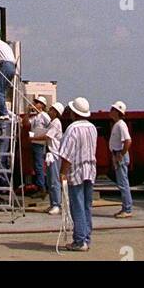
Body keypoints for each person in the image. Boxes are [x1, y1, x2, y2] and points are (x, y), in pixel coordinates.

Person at [59, 97, 97, 252]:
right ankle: (86, 238)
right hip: (90, 171)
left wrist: (62, 172)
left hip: (77, 172)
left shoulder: (73, 129)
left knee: (77, 207)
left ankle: (80, 241)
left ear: (74, 113)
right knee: (87, 206)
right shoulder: (92, 127)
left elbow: (67, 154)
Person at [109, 100, 133, 217]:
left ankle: (127, 209)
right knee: (122, 182)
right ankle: (125, 207)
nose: (110, 111)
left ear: (118, 112)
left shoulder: (121, 125)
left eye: (113, 109)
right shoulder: (117, 124)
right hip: (117, 154)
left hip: (119, 155)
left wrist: (121, 154)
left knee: (123, 183)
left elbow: (128, 141)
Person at [44, 100, 65, 214]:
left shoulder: (56, 122)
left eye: (52, 109)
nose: (49, 111)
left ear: (56, 112)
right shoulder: (52, 122)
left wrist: (33, 138)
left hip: (54, 155)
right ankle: (52, 203)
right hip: (50, 154)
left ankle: (57, 204)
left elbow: (47, 136)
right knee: (49, 180)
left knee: (54, 181)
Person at [28, 95, 51, 195]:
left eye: (37, 102)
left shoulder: (44, 116)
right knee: (37, 165)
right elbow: (27, 123)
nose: (35, 104)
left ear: (42, 105)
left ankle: (42, 187)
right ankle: (40, 185)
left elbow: (51, 126)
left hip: (40, 143)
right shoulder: (35, 117)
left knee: (39, 165)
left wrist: (44, 136)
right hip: (35, 142)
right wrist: (28, 112)